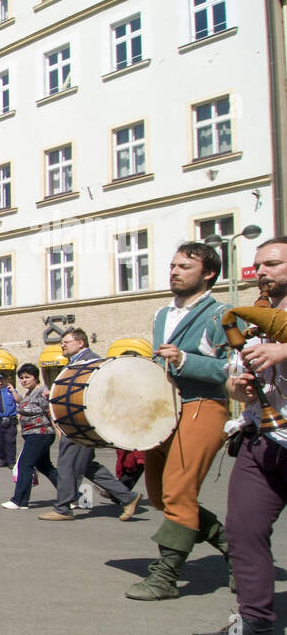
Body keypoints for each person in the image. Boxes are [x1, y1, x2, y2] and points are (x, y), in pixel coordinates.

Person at [194, 237, 287, 635]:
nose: (262, 272)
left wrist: (282, 350)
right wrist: (239, 388)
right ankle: (256, 624)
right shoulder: (251, 319)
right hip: (260, 439)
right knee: (244, 530)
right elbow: (232, 380)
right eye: (258, 265)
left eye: (272, 264)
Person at [129, 242, 231, 600]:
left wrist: (186, 361)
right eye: (172, 265)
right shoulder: (160, 315)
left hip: (203, 404)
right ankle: (235, 547)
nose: (174, 271)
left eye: (184, 266)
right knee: (159, 495)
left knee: (178, 492)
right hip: (166, 409)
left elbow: (232, 368)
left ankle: (166, 576)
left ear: (208, 274)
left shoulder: (222, 313)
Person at [40, 329, 143, 522]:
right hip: (79, 421)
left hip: (81, 422)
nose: (62, 344)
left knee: (66, 464)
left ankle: (63, 508)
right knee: (87, 466)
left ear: (81, 343)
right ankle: (128, 497)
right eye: (62, 342)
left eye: (66, 341)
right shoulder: (77, 362)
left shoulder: (91, 362)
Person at [2, 363, 59, 509]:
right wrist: (15, 393)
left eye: (27, 377)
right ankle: (72, 495)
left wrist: (58, 431)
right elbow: (25, 405)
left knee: (25, 465)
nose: (24, 380)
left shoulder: (42, 392)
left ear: (36, 378)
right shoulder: (29, 393)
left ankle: (19, 500)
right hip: (33, 434)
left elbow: (51, 412)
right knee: (45, 466)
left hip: (40, 433)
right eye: (21, 378)